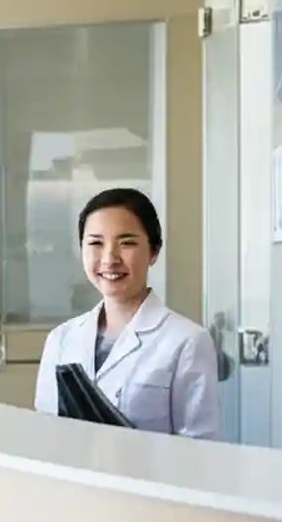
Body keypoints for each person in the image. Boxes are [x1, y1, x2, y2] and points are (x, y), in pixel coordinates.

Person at [34, 188, 219, 438]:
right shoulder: (61, 339)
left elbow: (200, 448)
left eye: (127, 243)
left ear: (153, 252)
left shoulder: (188, 341)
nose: (110, 258)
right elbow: (47, 432)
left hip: (147, 477)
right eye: (96, 243)